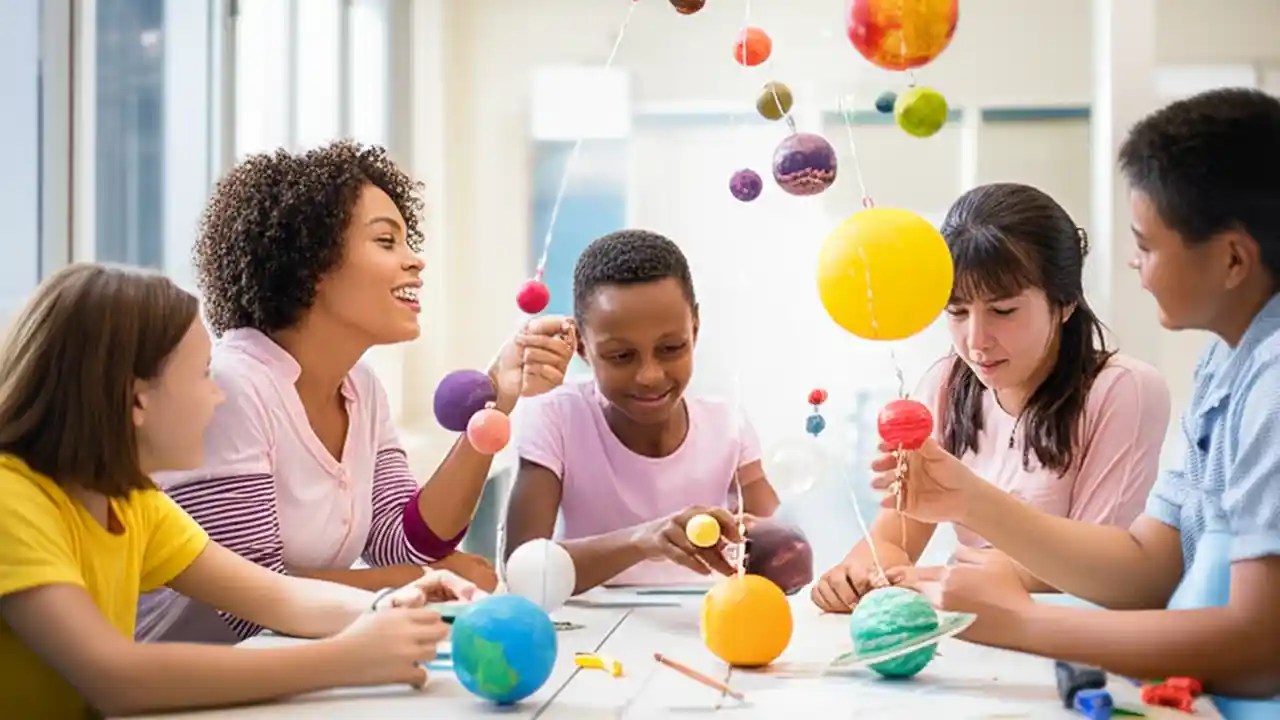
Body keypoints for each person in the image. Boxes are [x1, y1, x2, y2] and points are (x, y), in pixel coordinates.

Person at [873, 88, 1280, 713]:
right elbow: (1149, 567)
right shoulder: (1228, 362)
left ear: (1231, 258)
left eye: (1146, 245)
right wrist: (966, 498)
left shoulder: (1271, 378)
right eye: (958, 312)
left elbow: (1261, 651)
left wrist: (1020, 623)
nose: (1134, 265)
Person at [137, 140, 575, 642]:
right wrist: (421, 583)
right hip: (197, 680)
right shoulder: (234, 388)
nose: (416, 262)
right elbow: (250, 602)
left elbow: (404, 542)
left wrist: (500, 396)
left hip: (291, 663)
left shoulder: (361, 387)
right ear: (312, 264)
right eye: (387, 242)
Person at [0, 264, 479, 719]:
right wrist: (346, 660)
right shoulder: (11, 500)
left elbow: (280, 598)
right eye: (204, 374)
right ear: (137, 400)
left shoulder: (133, 503)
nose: (219, 395)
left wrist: (395, 604)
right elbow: (113, 676)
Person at [812, 182, 1170, 613]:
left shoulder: (1123, 389)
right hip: (972, 627)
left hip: (1066, 635)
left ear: (1066, 302)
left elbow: (1097, 573)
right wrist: (858, 574)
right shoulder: (945, 385)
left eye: (1003, 311)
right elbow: (893, 538)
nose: (976, 341)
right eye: (957, 312)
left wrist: (937, 569)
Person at [505, 230, 784, 592]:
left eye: (671, 347)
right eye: (621, 356)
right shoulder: (555, 417)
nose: (650, 376)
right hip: (591, 632)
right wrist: (643, 540)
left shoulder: (727, 426)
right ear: (582, 348)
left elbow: (783, 549)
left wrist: (769, 539)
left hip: (704, 624)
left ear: (694, 330)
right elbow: (521, 571)